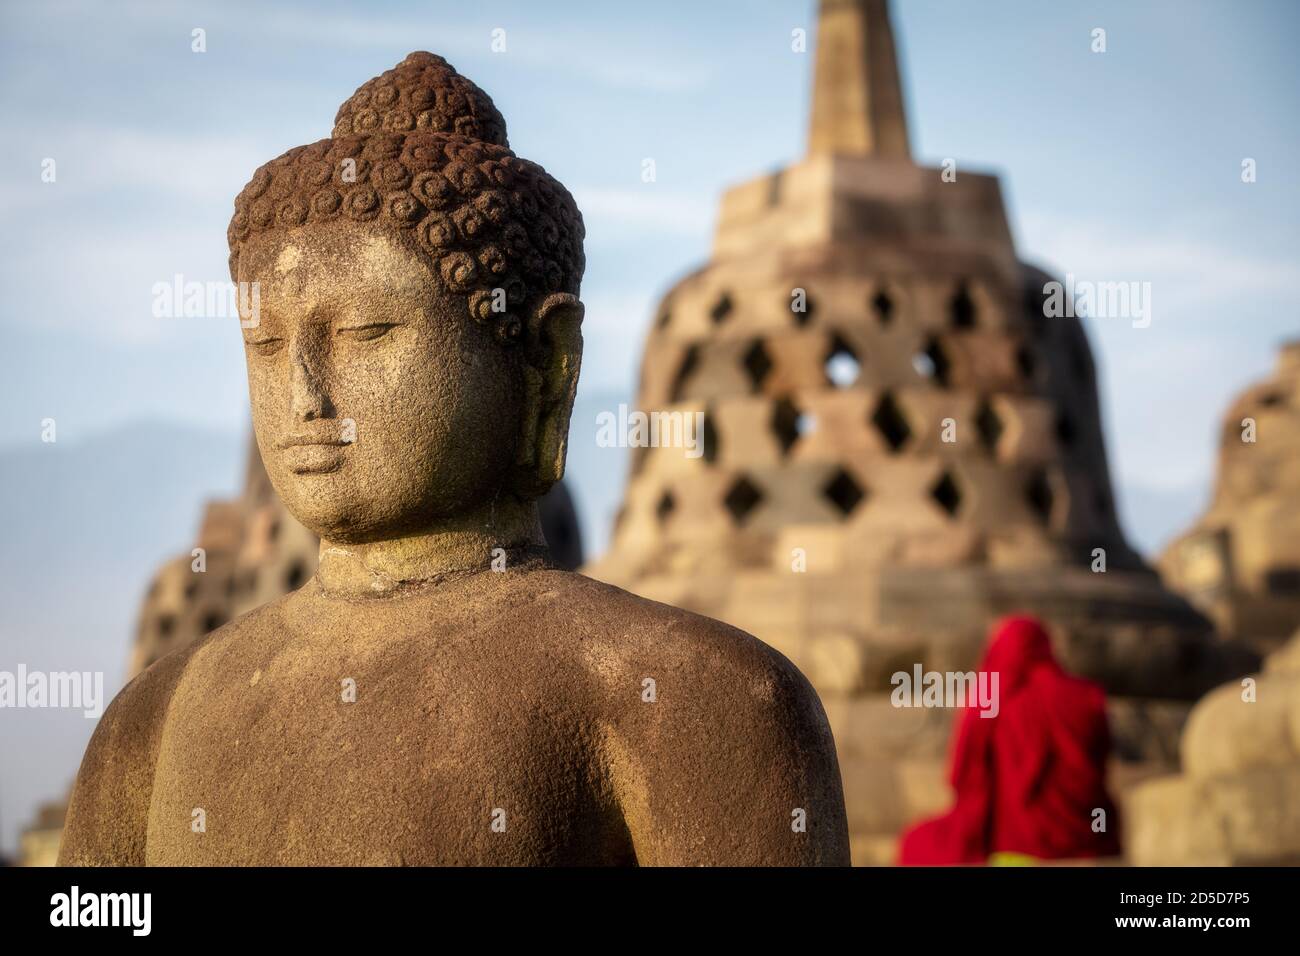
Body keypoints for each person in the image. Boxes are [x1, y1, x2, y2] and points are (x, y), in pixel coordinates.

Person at [898, 614, 1120, 864]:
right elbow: (1101, 763)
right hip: (1089, 838)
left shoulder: (988, 699)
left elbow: (964, 776)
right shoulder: (1085, 697)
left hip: (1012, 842)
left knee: (916, 842)